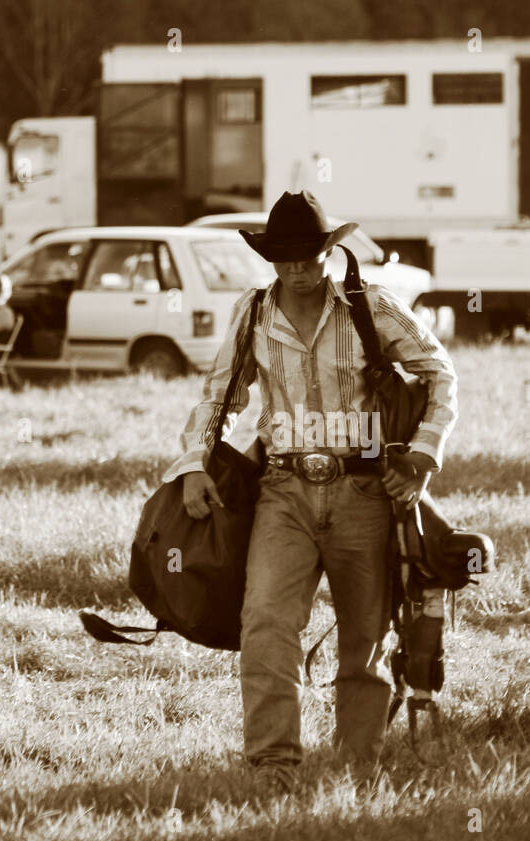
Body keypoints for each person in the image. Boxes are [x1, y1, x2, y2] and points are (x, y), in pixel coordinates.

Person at [159, 191, 457, 792]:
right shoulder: (253, 313)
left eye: (307, 257)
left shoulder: (370, 308)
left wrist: (423, 453)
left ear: (329, 253)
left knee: (365, 634)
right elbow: (220, 395)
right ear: (270, 258)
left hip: (365, 492)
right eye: (283, 259)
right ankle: (274, 764)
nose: (295, 270)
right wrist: (193, 466)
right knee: (266, 620)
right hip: (284, 490)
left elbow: (439, 372)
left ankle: (357, 764)